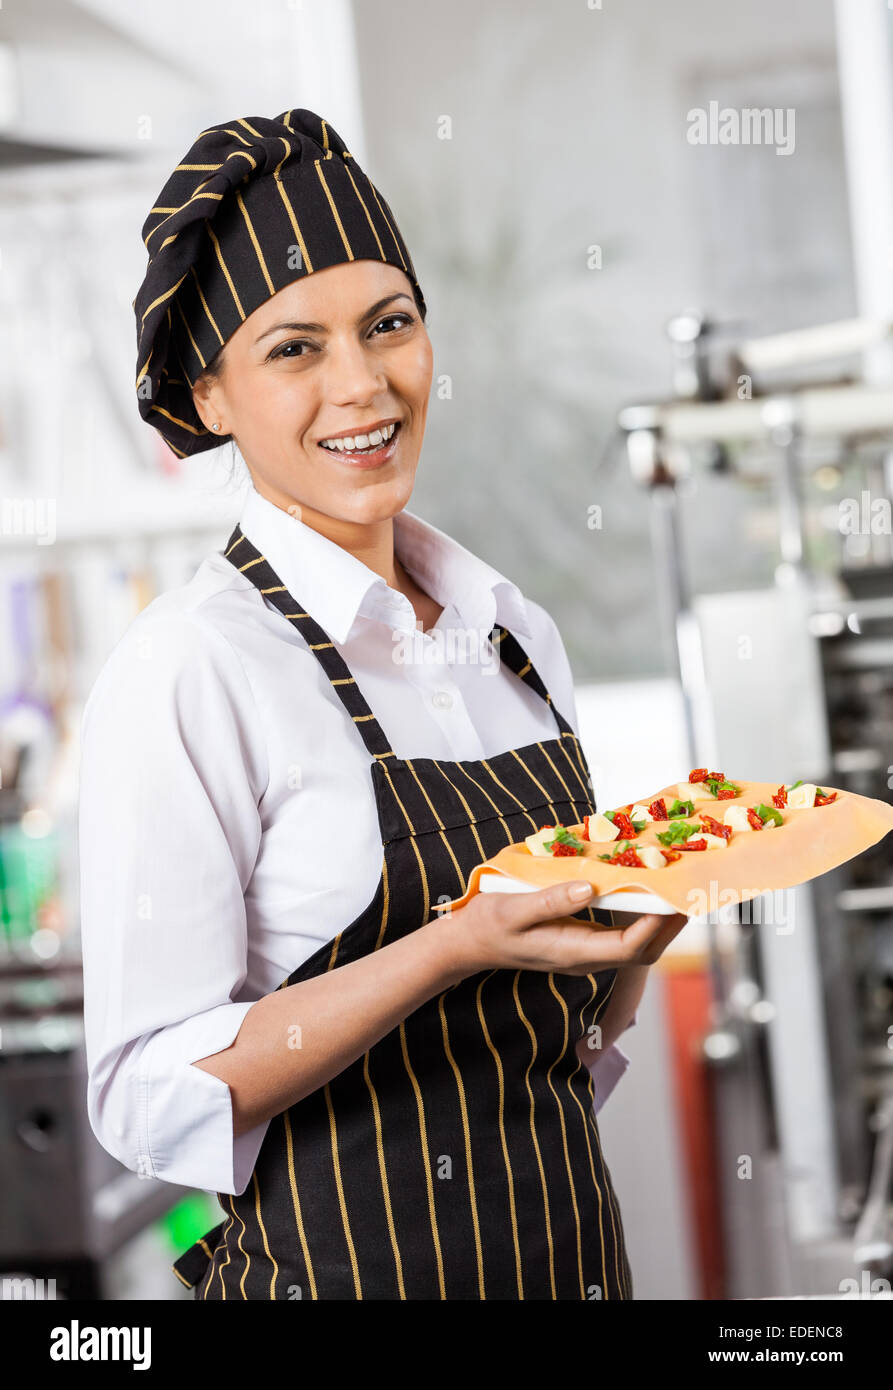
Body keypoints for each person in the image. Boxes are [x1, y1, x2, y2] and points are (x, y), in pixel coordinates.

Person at [80, 108, 688, 1301]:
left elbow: (550, 1048)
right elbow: (146, 1097)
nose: (363, 384)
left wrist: (642, 931)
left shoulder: (510, 633)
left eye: (389, 325)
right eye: (293, 348)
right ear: (208, 396)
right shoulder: (193, 668)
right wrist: (450, 944)